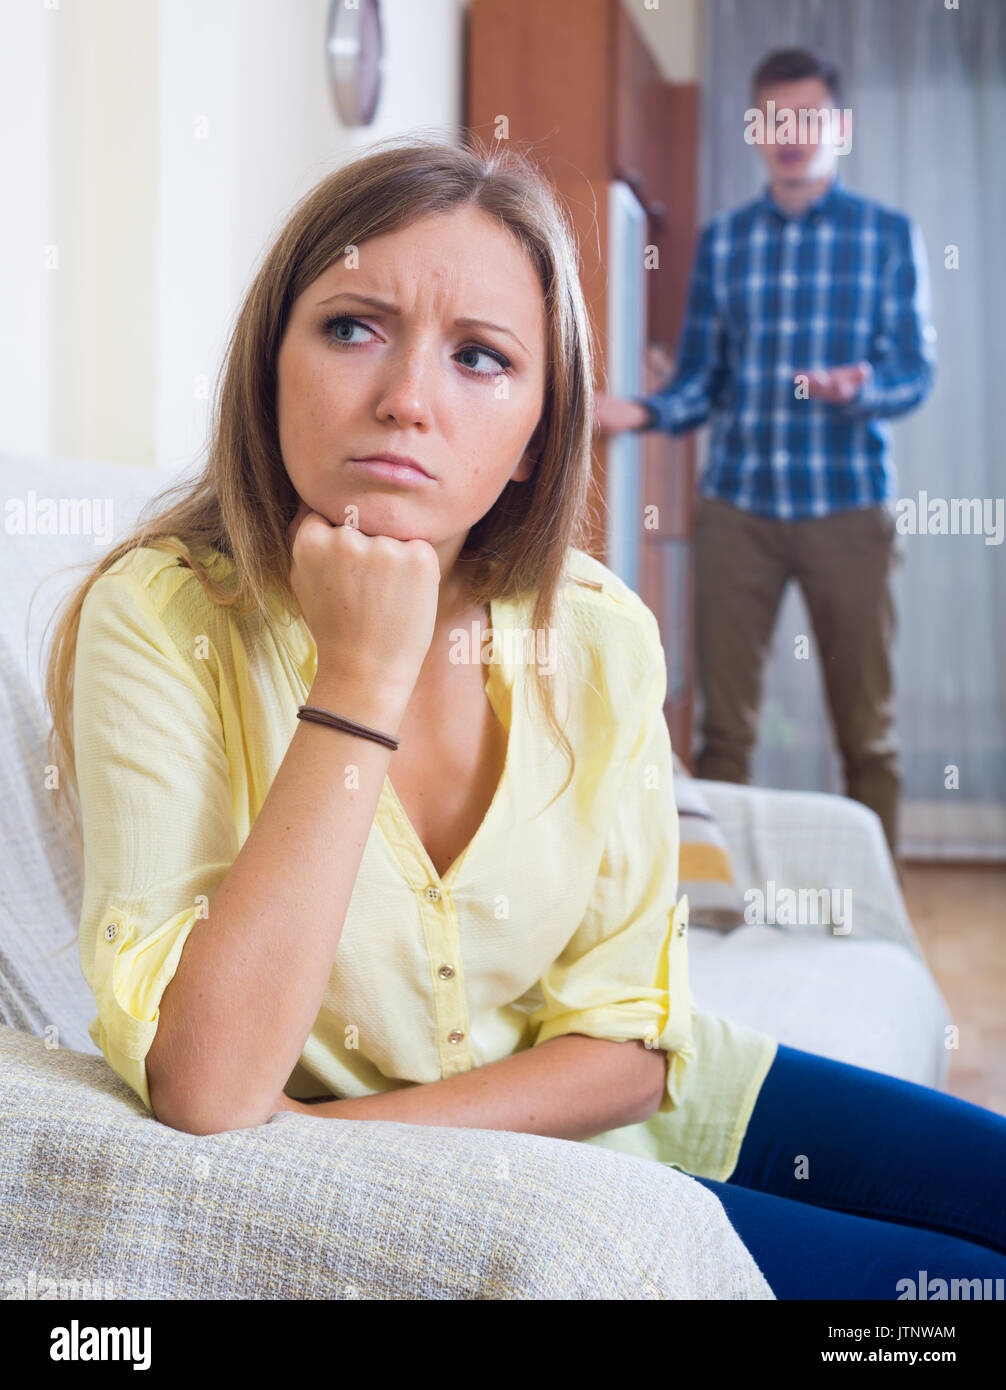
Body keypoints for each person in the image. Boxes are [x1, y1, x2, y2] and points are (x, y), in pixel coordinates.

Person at [45, 137, 1002, 1300]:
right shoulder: (155, 618)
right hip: (542, 1202)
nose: (406, 399)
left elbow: (631, 1048)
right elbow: (206, 1083)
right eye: (352, 326)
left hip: (673, 1105)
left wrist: (323, 1138)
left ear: (538, 437)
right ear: (268, 369)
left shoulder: (596, 632)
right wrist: (356, 681)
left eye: (480, 358)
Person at [596, 47, 937, 869]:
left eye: (808, 118)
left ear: (837, 128)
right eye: (774, 119)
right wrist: (639, 410)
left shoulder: (887, 236)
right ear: (757, 129)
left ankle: (871, 912)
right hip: (739, 512)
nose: (791, 134)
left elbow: (913, 372)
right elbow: (705, 380)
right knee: (723, 731)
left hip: (848, 509)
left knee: (870, 734)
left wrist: (861, 386)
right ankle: (719, 907)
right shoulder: (725, 244)